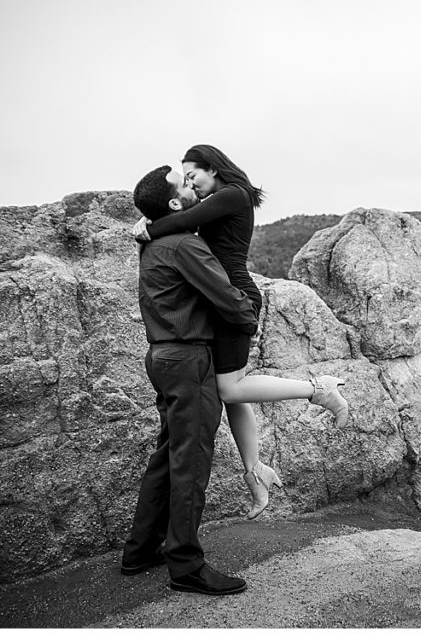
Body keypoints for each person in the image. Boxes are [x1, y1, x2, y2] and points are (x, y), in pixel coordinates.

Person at [133, 144, 348, 519]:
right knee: (229, 391)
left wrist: (147, 227)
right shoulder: (217, 199)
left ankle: (318, 390)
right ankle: (255, 471)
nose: (190, 183)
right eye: (184, 179)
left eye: (192, 175)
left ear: (212, 169)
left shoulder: (232, 195)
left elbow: (175, 223)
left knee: (230, 387)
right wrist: (150, 224)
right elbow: (179, 222)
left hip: (233, 300)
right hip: (217, 301)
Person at [121, 165, 255, 596]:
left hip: (162, 356)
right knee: (191, 461)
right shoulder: (184, 245)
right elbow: (227, 299)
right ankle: (186, 566)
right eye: (185, 183)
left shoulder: (155, 241)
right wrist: (248, 318)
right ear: (176, 204)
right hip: (189, 359)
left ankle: (140, 550)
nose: (194, 184)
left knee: (167, 455)